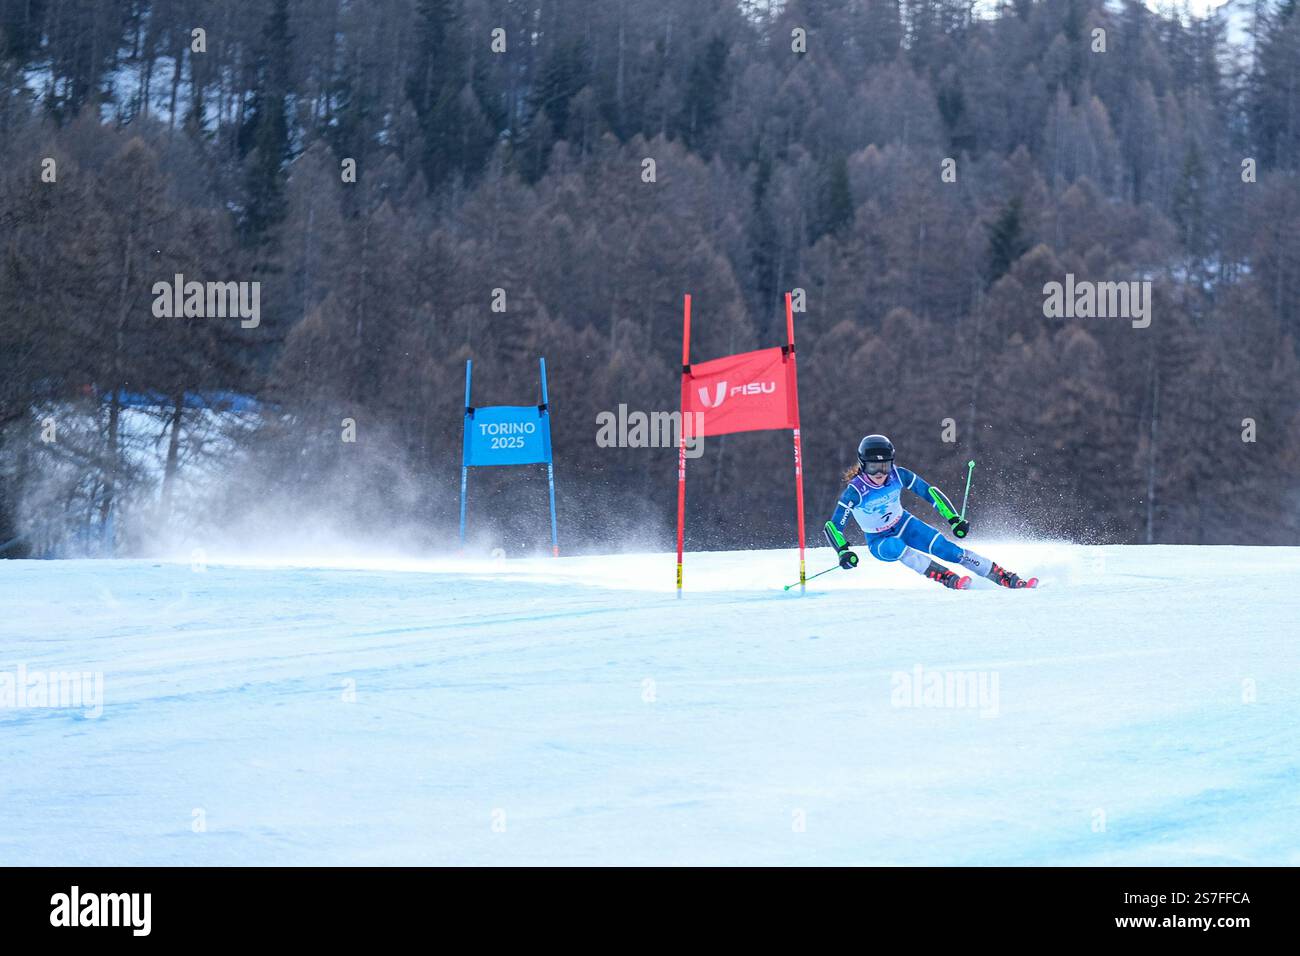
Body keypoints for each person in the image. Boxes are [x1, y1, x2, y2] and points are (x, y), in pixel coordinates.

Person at [823, 434, 1037, 590]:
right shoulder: (856, 491)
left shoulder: (899, 475)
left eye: (885, 467)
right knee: (895, 546)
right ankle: (945, 577)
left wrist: (953, 518)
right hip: (879, 540)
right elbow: (833, 526)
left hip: (905, 524)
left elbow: (929, 492)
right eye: (873, 468)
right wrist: (843, 551)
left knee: (949, 550)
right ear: (862, 466)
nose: (880, 474)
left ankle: (1004, 576)